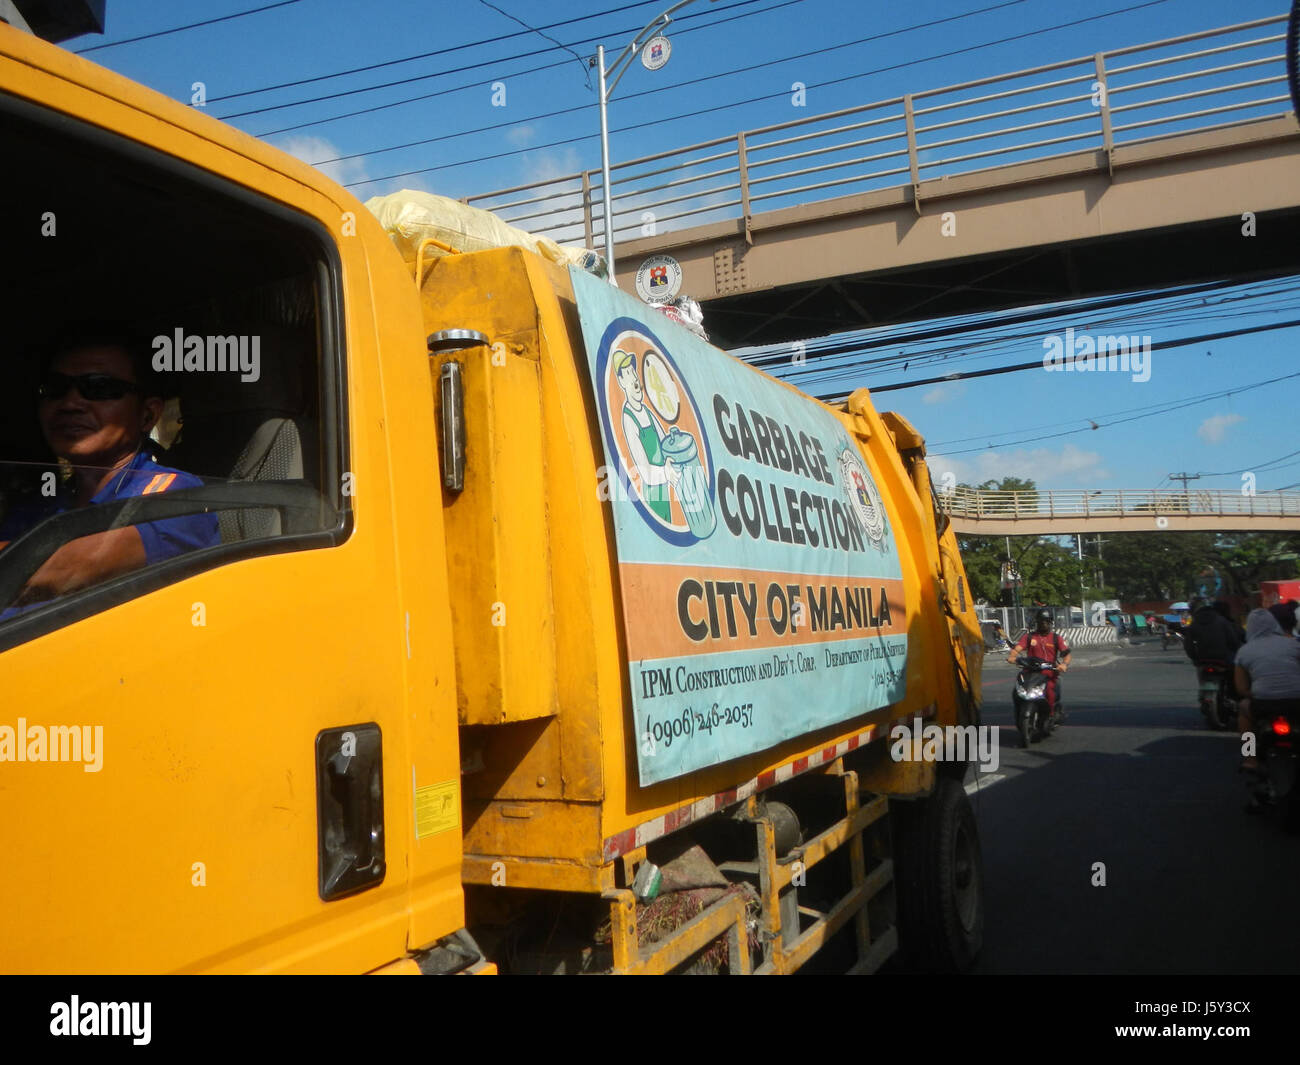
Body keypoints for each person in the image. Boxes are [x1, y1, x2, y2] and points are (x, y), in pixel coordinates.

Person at [0, 328, 219, 613]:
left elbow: (67, 569)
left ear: (148, 414)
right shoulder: (38, 505)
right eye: (55, 388)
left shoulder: (175, 495)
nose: (70, 404)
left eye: (100, 387)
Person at [614, 348, 679, 521]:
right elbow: (646, 473)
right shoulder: (628, 419)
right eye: (628, 373)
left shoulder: (647, 412)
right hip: (652, 496)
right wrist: (666, 473)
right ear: (621, 381)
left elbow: (666, 442)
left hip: (664, 491)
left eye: (633, 371)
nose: (635, 378)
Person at [1234, 608, 1300, 772]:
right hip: (1296, 702)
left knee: (1243, 711)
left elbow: (1241, 688)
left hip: (1263, 705)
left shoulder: (1244, 651)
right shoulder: (1293, 644)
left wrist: (1259, 693)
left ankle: (1250, 758)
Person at [1007, 609, 1071, 718]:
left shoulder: (1056, 638)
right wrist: (1012, 656)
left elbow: (1067, 655)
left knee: (1049, 690)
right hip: (1030, 671)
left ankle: (1049, 715)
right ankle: (1018, 712)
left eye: (1046, 621)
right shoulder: (1029, 637)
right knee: (1017, 691)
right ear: (1037, 622)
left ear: (1051, 622)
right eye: (1041, 621)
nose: (1043, 624)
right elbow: (1017, 648)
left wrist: (1064, 664)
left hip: (1049, 672)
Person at [1184, 599, 1244, 667]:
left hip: (1202, 659)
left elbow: (1188, 646)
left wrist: (1195, 658)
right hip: (1222, 657)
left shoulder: (1194, 624)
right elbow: (1233, 641)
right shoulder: (1222, 621)